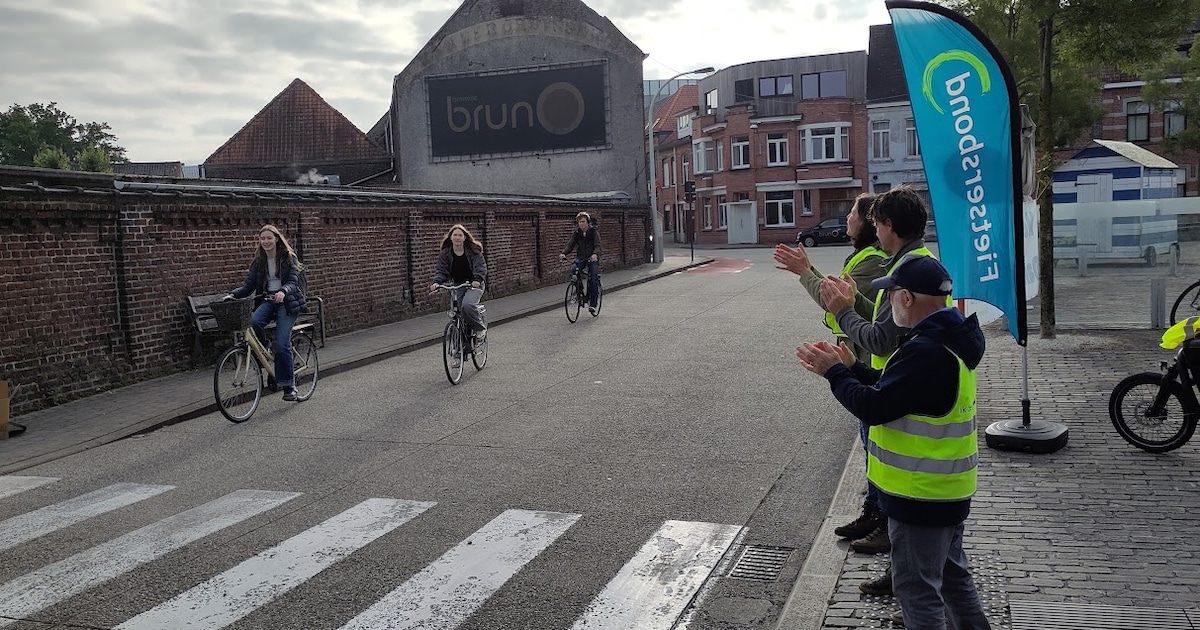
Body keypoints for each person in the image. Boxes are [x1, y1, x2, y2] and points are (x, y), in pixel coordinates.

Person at [795, 255, 991, 630]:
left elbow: (875, 406)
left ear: (906, 299)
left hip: (920, 495)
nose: (886, 305)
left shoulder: (925, 351)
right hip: (948, 491)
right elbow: (901, 389)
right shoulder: (950, 339)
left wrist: (834, 373)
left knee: (917, 592)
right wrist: (855, 368)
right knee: (952, 579)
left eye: (890, 297)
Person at [815, 186, 940, 559]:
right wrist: (856, 304)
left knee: (887, 467)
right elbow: (886, 321)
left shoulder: (907, 269)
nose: (872, 229)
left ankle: (887, 532)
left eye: (875, 223)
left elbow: (881, 339)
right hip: (892, 379)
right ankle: (881, 521)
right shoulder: (917, 261)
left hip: (895, 385)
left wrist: (842, 312)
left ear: (887, 226)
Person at [774, 193, 888, 552]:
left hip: (870, 362)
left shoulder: (871, 261)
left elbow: (835, 300)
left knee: (874, 441)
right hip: (860, 358)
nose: (847, 218)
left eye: (852, 211)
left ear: (870, 222)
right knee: (869, 440)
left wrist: (805, 271)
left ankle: (880, 517)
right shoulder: (865, 256)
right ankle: (874, 511)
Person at [225, 224, 308, 402]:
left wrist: (283, 291)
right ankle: (266, 349)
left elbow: (293, 282)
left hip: (287, 302)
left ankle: (289, 385)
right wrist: (232, 294)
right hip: (268, 300)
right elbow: (249, 286)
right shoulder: (259, 261)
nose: (266, 241)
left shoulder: (288, 258)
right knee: (253, 322)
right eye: (263, 238)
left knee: (282, 343)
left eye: (269, 238)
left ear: (276, 239)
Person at [430, 224, 488, 346]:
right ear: (450, 237)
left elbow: (480, 267)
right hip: (458, 285)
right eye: (454, 235)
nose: (457, 237)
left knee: (466, 305)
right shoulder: (445, 253)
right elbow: (442, 271)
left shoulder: (473, 251)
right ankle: (457, 354)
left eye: (460, 235)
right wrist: (437, 282)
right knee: (456, 316)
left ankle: (480, 329)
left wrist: (477, 279)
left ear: (464, 237)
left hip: (474, 285)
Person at [559, 212, 600, 315]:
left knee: (593, 279)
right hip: (581, 258)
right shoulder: (577, 233)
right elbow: (570, 244)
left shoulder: (593, 232)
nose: (581, 224)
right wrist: (564, 253)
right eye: (580, 222)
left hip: (592, 258)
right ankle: (579, 292)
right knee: (574, 269)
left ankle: (593, 304)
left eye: (583, 222)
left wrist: (595, 254)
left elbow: (597, 245)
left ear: (588, 222)